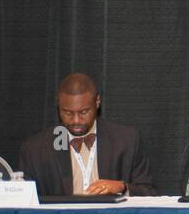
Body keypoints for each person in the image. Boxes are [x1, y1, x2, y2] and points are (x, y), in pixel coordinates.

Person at [17, 72, 156, 195]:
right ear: (58, 106)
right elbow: (24, 202)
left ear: (97, 102)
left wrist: (122, 187)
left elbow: (148, 192)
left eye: (84, 112)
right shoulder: (34, 150)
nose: (76, 120)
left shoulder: (127, 141)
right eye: (68, 113)